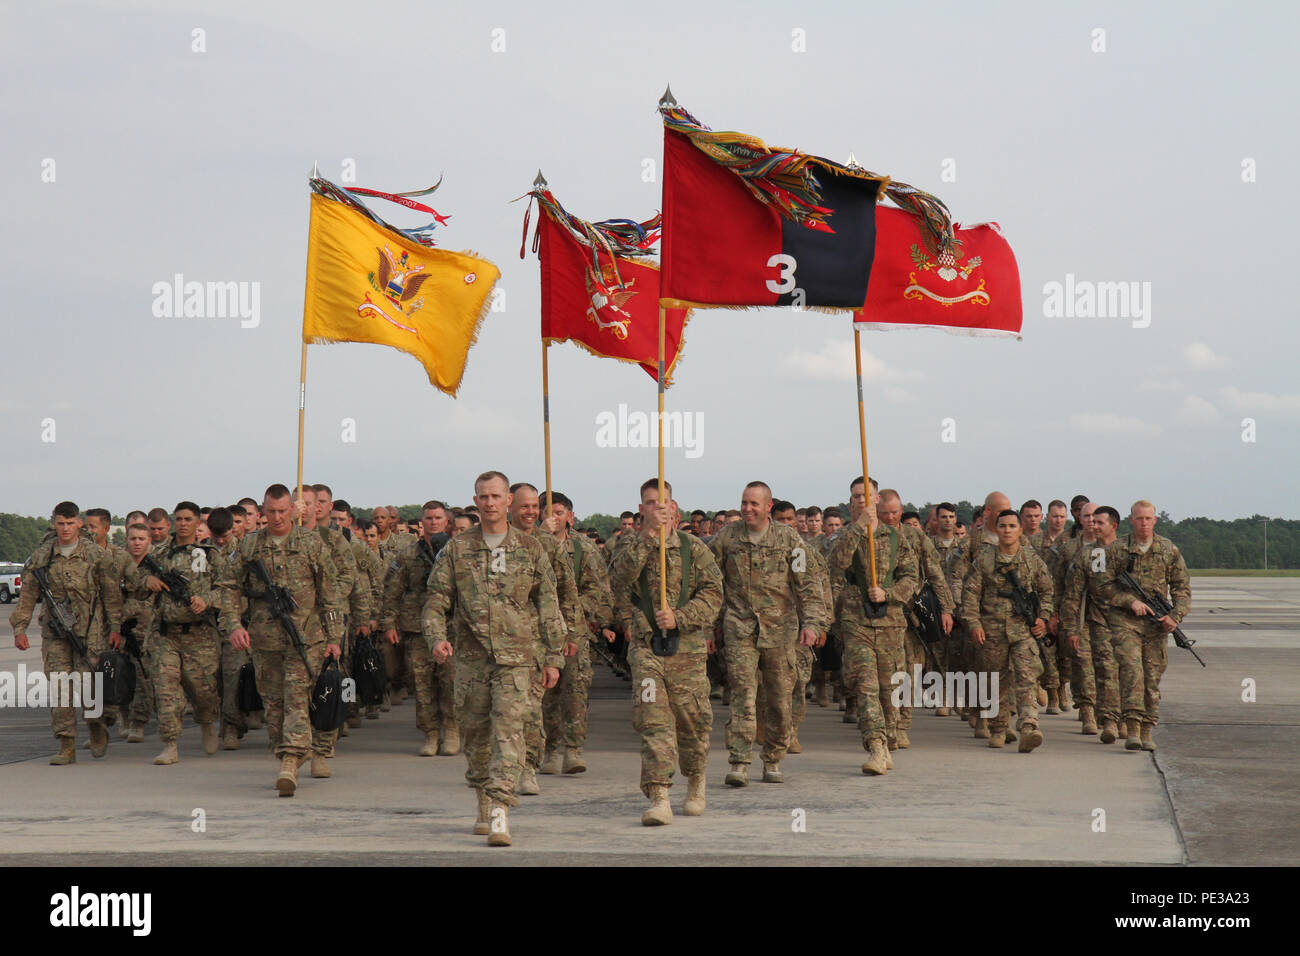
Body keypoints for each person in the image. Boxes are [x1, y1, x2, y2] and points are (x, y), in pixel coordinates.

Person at [422, 471, 564, 846]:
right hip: (471, 661)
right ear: (476, 501)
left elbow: (548, 604)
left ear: (508, 502)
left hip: (518, 660)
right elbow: (436, 600)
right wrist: (437, 639)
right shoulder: (457, 549)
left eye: (496, 496)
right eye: (482, 497)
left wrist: (553, 658)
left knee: (509, 733)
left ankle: (501, 809)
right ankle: (483, 801)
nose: (489, 503)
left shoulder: (531, 549)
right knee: (477, 737)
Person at [609, 478, 723, 824]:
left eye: (663, 502)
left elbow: (714, 596)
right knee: (653, 721)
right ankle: (659, 795)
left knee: (693, 722)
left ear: (674, 508)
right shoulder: (629, 546)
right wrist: (646, 538)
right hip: (646, 650)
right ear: (641, 509)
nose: (657, 508)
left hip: (687, 649)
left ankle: (696, 777)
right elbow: (615, 583)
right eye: (649, 503)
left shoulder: (694, 549)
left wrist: (681, 617)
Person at [222, 485, 345, 795]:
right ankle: (290, 752)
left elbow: (330, 594)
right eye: (271, 512)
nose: (276, 517)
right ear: (262, 511)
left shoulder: (311, 543)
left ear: (293, 509)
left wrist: (334, 637)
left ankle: (290, 761)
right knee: (273, 705)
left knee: (296, 699)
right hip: (264, 640)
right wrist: (234, 625)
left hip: (306, 638)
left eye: (282, 511)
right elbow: (228, 588)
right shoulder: (249, 546)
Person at [709, 481, 827, 786]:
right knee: (742, 696)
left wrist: (812, 624)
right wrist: (710, 627)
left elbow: (808, 586)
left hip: (780, 630)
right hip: (740, 628)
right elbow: (709, 584)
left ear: (768, 506)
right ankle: (739, 760)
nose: (748, 509)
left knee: (778, 698)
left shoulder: (790, 540)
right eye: (744, 503)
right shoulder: (726, 538)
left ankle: (773, 758)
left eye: (754, 504)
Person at [9, 501, 123, 765]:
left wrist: (116, 627)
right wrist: (20, 627)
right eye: (60, 523)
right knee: (60, 688)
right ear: (54, 523)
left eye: (70, 523)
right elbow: (28, 595)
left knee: (88, 686)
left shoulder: (95, 555)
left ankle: (96, 725)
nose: (65, 529)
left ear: (79, 524)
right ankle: (66, 744)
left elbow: (111, 593)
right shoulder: (42, 556)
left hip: (89, 633)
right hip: (55, 633)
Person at [826, 478, 918, 775]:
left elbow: (910, 577)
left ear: (877, 499)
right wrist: (857, 528)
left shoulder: (895, 538)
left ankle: (888, 738)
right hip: (856, 620)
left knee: (888, 689)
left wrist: (889, 594)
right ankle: (876, 746)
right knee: (865, 685)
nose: (861, 501)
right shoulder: (844, 536)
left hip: (890, 621)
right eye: (855, 497)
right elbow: (835, 566)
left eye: (866, 496)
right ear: (850, 502)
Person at [1097, 501, 1191, 752]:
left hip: (1156, 625)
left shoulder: (1168, 550)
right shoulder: (1117, 550)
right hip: (1125, 622)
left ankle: (1148, 728)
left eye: (1148, 519)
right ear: (1131, 520)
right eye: (1139, 519)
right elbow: (1104, 586)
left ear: (1155, 520)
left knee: (1152, 677)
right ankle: (1133, 727)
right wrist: (1130, 601)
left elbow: (1182, 588)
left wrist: (1175, 616)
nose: (1144, 523)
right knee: (1131, 670)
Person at [960, 509, 1054, 753]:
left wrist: (1043, 618)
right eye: (1003, 526)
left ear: (1020, 530)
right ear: (996, 529)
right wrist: (974, 623)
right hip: (992, 631)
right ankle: (999, 728)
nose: (1007, 531)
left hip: (1023, 630)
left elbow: (1047, 591)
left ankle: (1029, 725)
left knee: (1026, 677)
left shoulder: (1031, 560)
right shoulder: (984, 559)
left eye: (1012, 526)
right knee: (995, 681)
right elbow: (970, 594)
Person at [507, 483, 580, 795]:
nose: (531, 512)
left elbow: (567, 592)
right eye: (524, 506)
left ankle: (527, 768)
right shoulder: (490, 542)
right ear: (510, 505)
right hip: (496, 645)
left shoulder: (547, 545)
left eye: (534, 507)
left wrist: (571, 634)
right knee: (503, 712)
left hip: (536, 643)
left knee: (530, 710)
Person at [141, 501, 226, 765]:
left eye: (188, 519)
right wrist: (147, 581)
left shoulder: (209, 554)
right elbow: (134, 578)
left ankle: (206, 721)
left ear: (198, 522)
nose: (183, 523)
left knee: (202, 690)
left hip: (199, 634)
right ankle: (170, 744)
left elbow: (228, 588)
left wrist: (207, 600)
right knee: (165, 688)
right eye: (178, 519)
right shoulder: (159, 553)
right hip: (167, 634)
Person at [539, 491, 612, 775]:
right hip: (540, 633)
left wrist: (571, 611)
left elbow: (599, 590)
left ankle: (573, 749)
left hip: (574, 632)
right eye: (548, 513)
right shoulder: (530, 545)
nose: (553, 519)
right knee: (545, 695)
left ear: (570, 516)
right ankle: (548, 750)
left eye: (559, 513)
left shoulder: (584, 549)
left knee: (575, 693)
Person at [382, 501, 457, 755]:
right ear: (421, 522)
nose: (434, 522)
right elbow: (392, 591)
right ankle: (430, 733)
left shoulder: (456, 552)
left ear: (447, 522)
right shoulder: (408, 555)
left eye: (438, 518)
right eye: (429, 518)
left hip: (451, 626)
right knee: (422, 684)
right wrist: (389, 623)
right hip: (416, 628)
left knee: (450, 682)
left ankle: (451, 728)